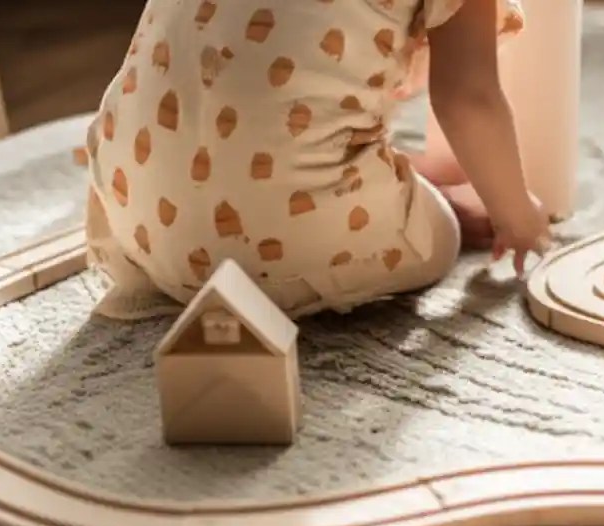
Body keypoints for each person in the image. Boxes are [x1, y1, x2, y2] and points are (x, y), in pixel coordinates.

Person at [83, 0, 551, 320]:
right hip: (273, 245)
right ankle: (391, 196)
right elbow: (469, 99)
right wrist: (518, 215)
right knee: (440, 236)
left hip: (133, 210)